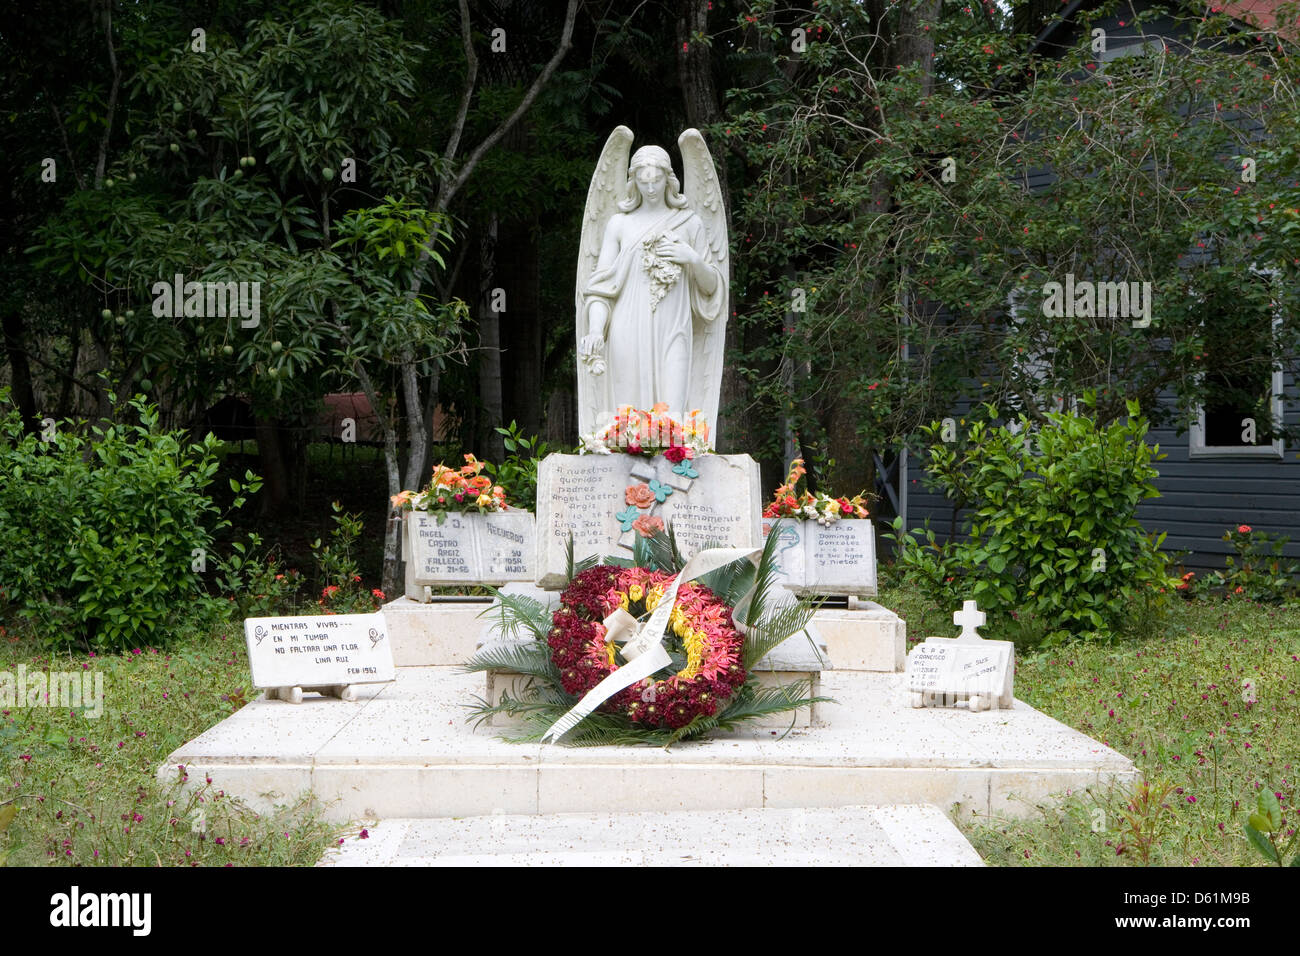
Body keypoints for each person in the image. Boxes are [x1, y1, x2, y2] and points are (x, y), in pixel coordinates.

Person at [578, 145, 725, 423]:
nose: (651, 188)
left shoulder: (689, 223)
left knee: (673, 419)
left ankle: (674, 464)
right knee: (628, 421)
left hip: (673, 327)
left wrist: (692, 259)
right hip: (627, 327)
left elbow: (711, 288)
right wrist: (596, 330)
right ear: (634, 182)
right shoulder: (619, 225)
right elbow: (600, 289)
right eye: (643, 182)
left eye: (656, 180)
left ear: (668, 179)